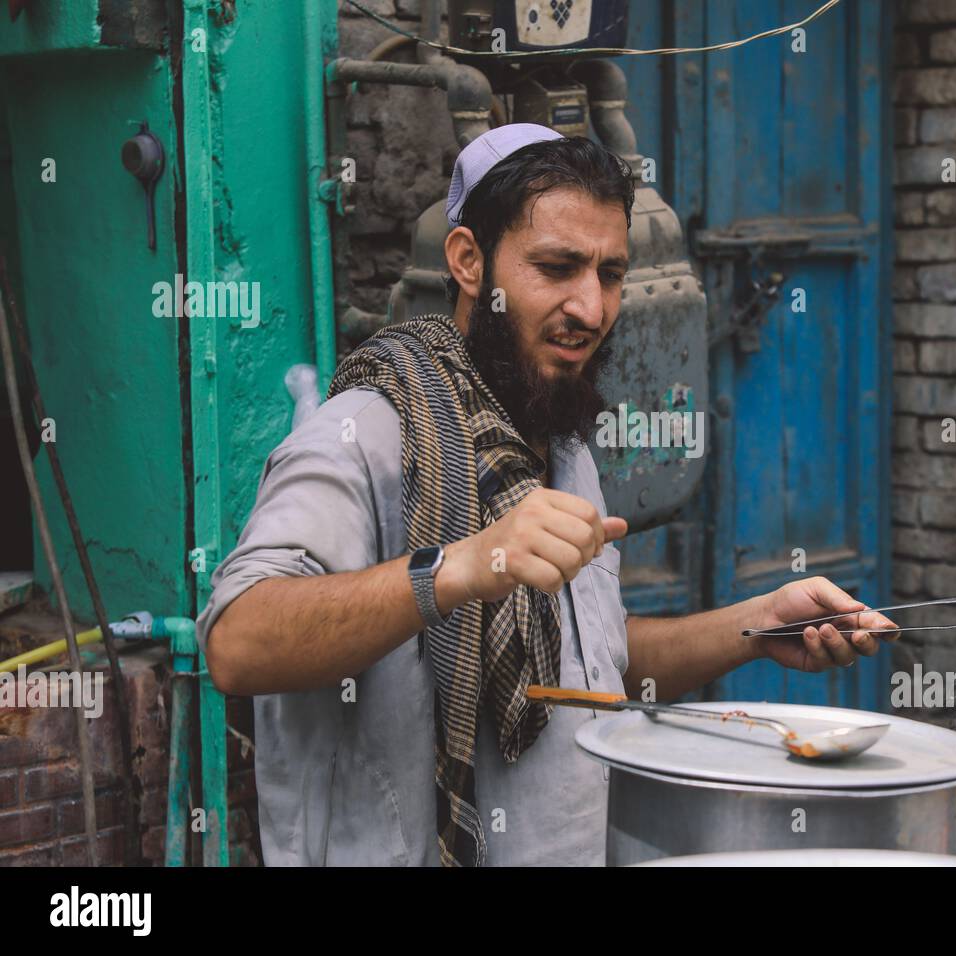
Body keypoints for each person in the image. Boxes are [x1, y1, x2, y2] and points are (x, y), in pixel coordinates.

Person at [196, 123, 898, 867]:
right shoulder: (366, 435)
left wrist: (756, 625)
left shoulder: (558, 446)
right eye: (558, 267)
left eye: (611, 274)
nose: (591, 308)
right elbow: (239, 644)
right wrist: (462, 566)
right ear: (468, 262)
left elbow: (589, 669)